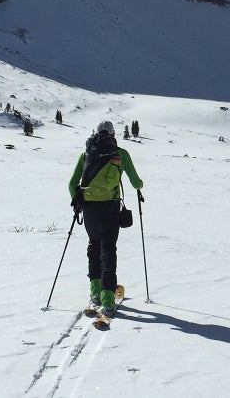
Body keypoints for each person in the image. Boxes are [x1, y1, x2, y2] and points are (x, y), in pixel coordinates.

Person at [69, 120, 143, 314]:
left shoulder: (86, 155)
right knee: (108, 250)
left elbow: (72, 184)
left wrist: (77, 202)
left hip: (90, 208)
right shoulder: (121, 154)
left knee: (94, 246)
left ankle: (95, 292)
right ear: (113, 134)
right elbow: (135, 182)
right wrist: (139, 186)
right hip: (110, 208)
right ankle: (108, 300)